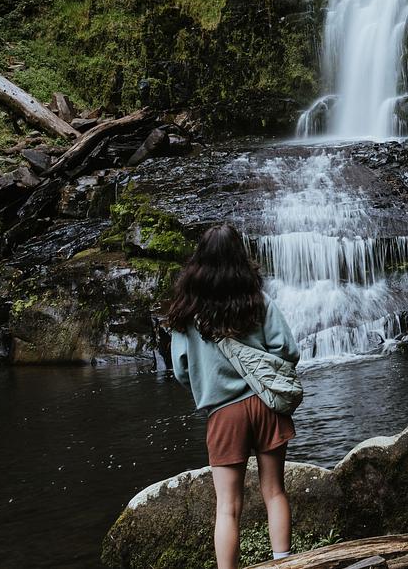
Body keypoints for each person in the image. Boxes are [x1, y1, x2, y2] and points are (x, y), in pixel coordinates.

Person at [168, 224, 302, 566]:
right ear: (240, 258)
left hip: (224, 415)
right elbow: (287, 349)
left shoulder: (186, 312)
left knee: (227, 507)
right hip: (266, 405)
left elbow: (181, 370)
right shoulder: (257, 300)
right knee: (274, 491)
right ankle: (283, 563)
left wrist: (209, 382)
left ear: (199, 261)